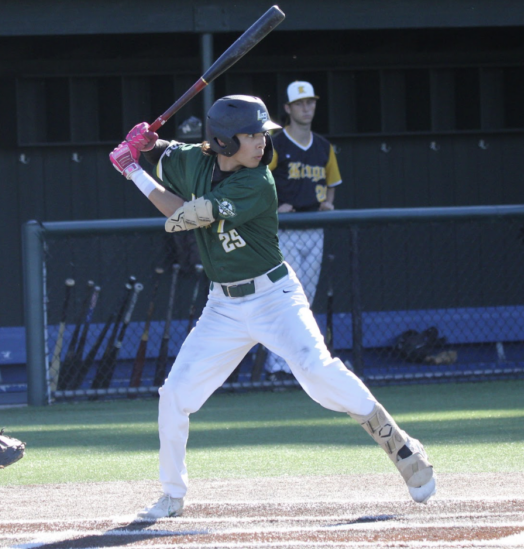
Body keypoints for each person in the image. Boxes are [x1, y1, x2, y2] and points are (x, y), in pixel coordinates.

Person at [109, 95, 435, 519]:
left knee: (318, 373)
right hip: (222, 306)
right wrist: (147, 143)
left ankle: (402, 449)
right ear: (225, 141)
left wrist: (132, 170)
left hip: (274, 298)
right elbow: (170, 152)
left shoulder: (257, 182)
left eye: (263, 134)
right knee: (174, 395)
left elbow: (183, 214)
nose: (262, 142)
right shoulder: (194, 161)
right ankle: (172, 494)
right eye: (252, 135)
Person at [263, 80, 342, 378]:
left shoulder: (323, 146)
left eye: (310, 102)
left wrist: (328, 203)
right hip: (284, 231)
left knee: (304, 300)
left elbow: (331, 184)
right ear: (287, 108)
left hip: (314, 228)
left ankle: (298, 365)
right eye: (299, 103)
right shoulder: (276, 143)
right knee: (284, 298)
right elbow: (258, 180)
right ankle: (277, 366)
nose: (306, 108)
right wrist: (273, 206)